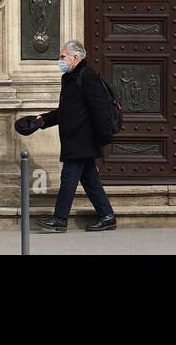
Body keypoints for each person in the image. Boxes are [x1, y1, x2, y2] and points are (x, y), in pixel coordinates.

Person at [33, 40, 117, 232]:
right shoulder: (70, 78)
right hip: (75, 138)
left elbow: (100, 109)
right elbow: (66, 111)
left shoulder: (87, 77)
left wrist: (105, 136)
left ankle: (60, 219)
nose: (60, 60)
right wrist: (42, 120)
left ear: (75, 57)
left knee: (68, 177)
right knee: (89, 179)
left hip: (82, 139)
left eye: (63, 57)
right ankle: (107, 216)